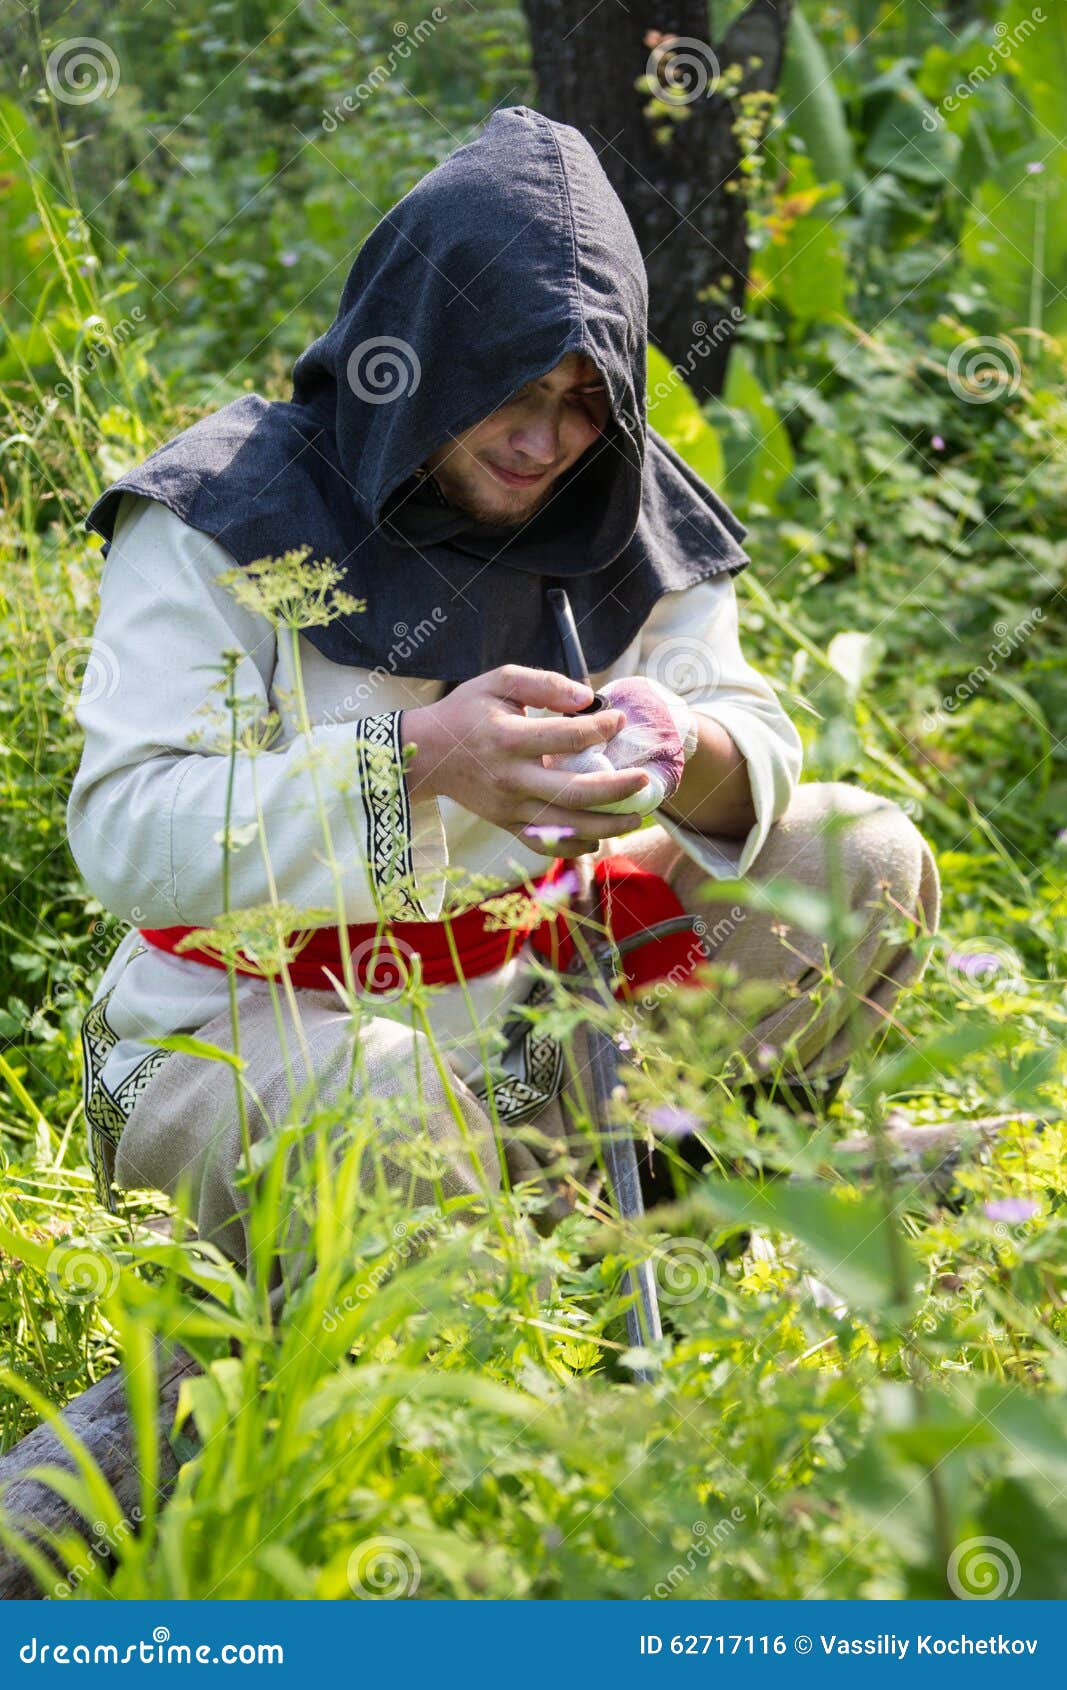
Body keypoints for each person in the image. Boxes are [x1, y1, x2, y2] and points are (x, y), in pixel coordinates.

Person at [67, 106, 940, 1289]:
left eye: (586, 397)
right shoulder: (219, 515)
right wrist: (418, 760)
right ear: (421, 350)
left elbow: (744, 721)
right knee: (388, 1105)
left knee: (856, 854)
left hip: (535, 1019)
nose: (545, 440)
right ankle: (443, 1318)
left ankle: (662, 1245)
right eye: (511, 388)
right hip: (238, 1027)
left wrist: (686, 747)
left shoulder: (612, 496)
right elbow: (124, 834)